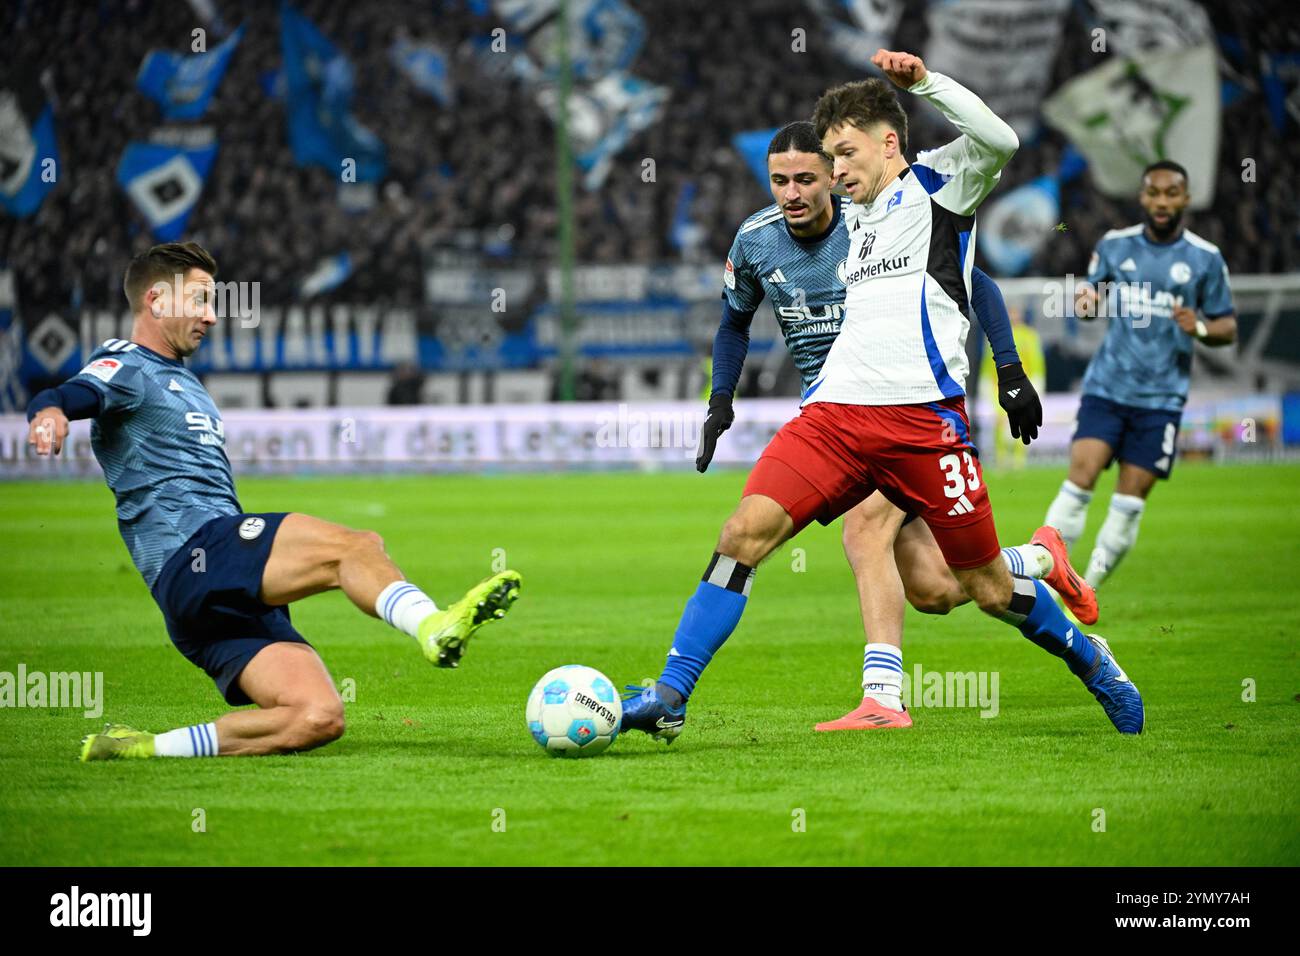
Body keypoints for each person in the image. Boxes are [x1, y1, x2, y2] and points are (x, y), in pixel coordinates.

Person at [622, 50, 1143, 740]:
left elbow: (1000, 141)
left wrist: (924, 84)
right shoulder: (851, 218)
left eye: (843, 155)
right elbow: (745, 307)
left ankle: (1090, 658)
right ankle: (671, 694)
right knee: (740, 536)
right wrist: (723, 397)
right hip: (834, 418)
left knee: (982, 588)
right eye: (826, 161)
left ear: (888, 143)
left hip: (923, 422)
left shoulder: (942, 188)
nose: (834, 174)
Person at [25, 242, 521, 760]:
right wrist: (50, 414)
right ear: (155, 299)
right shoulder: (128, 365)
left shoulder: (185, 383)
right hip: (197, 554)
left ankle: (141, 748)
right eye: (199, 300)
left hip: (206, 597)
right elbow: (67, 394)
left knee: (316, 717)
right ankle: (431, 625)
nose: (211, 316)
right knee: (354, 548)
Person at [695, 120, 1093, 731]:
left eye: (807, 178)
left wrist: (1009, 368)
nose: (793, 192)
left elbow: (973, 282)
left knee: (862, 533)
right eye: (779, 181)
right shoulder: (755, 241)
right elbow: (733, 324)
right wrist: (721, 399)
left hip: (906, 408)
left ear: (834, 174)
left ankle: (882, 698)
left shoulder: (872, 222)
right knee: (935, 591)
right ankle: (1036, 560)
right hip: (832, 423)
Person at [1043, 160, 1236, 588]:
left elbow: (1227, 327)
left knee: (1128, 504)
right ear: (1142, 197)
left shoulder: (1205, 259)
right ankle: (1051, 582)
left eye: (1172, 194)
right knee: (1080, 480)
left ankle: (1085, 591)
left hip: (1161, 401)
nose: (1162, 201)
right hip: (1107, 388)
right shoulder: (1115, 245)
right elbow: (1091, 294)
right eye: (1154, 193)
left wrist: (1201, 327)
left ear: (1186, 198)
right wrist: (1087, 301)